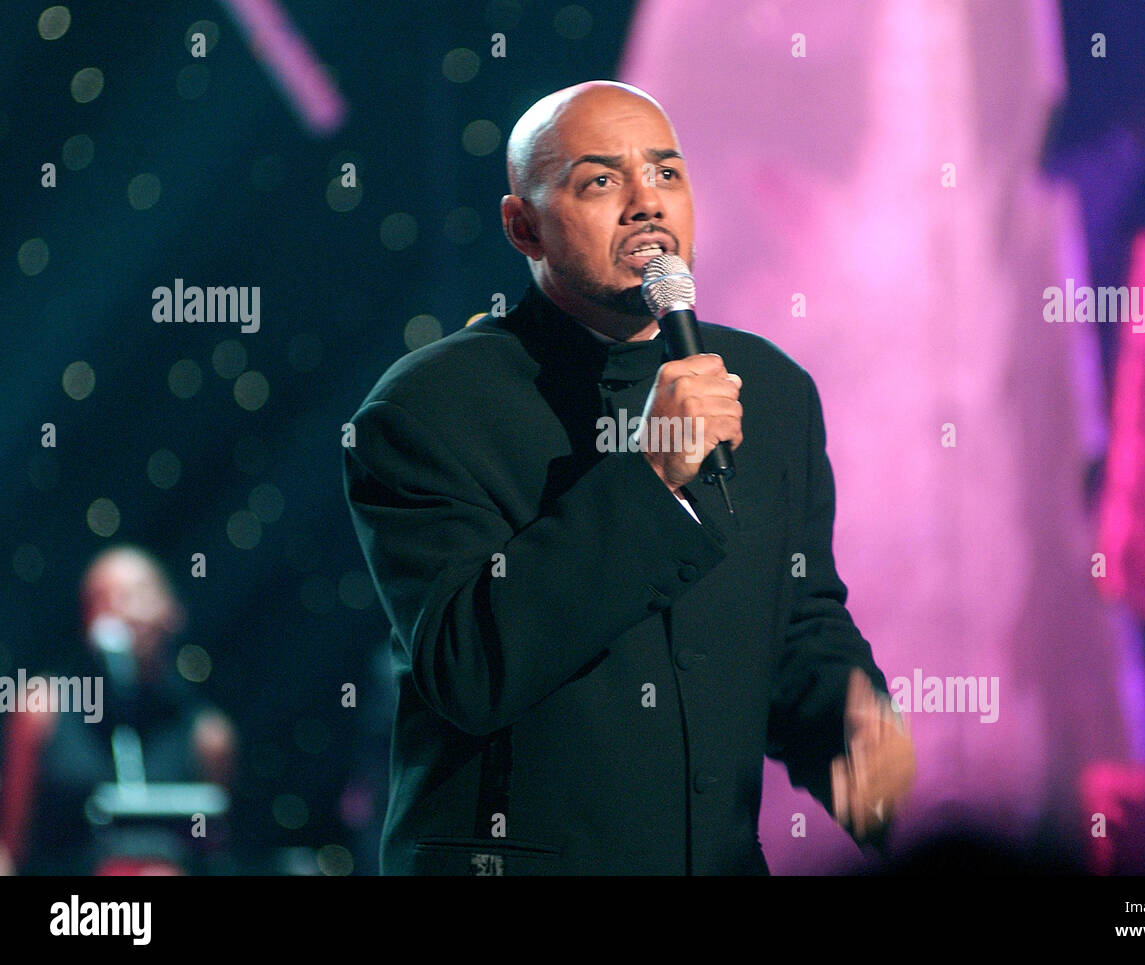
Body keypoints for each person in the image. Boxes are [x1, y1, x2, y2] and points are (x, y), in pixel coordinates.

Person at [343, 81, 914, 875]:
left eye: (667, 174)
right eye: (601, 180)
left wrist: (850, 733)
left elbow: (800, 620)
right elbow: (467, 666)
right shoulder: (427, 408)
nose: (647, 202)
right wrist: (650, 479)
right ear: (523, 226)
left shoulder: (772, 389)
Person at [0, 545, 236, 874]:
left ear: (173, 612)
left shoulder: (208, 736)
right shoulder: (43, 707)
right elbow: (11, 843)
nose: (128, 613)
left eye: (139, 594)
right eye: (107, 598)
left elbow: (212, 853)